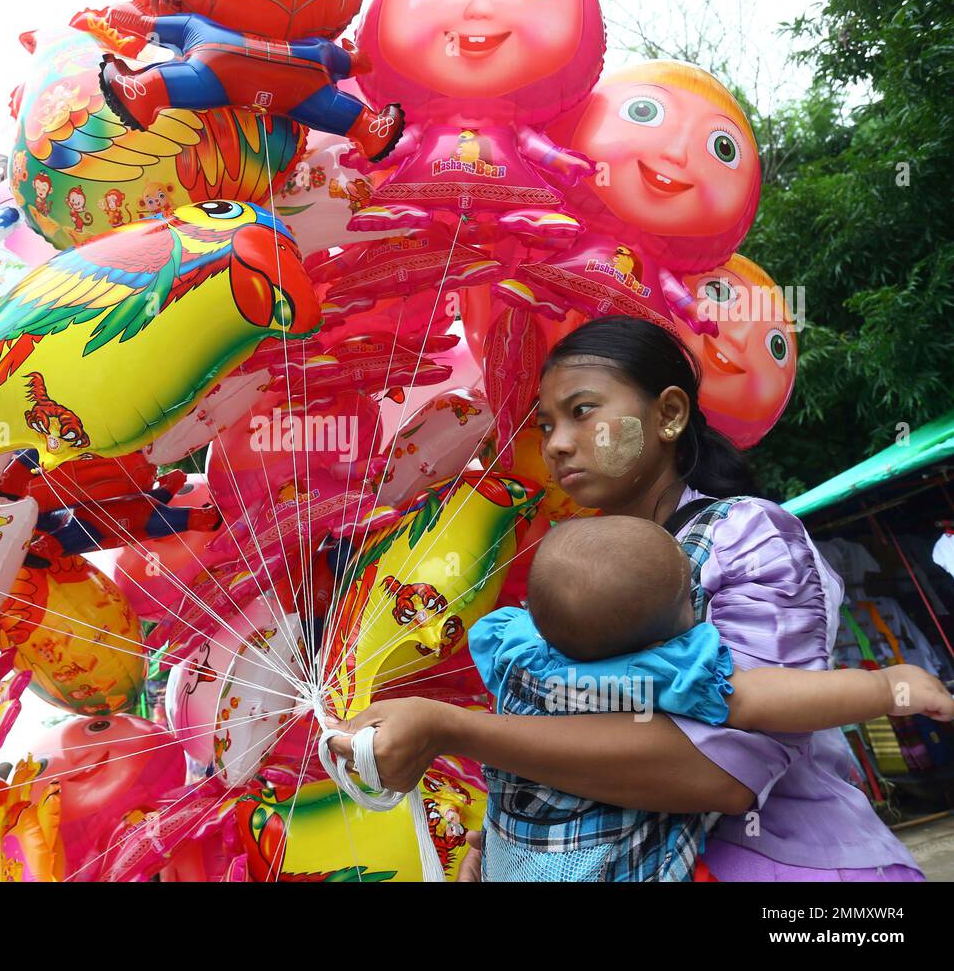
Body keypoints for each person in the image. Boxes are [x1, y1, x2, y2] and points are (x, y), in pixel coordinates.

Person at [326, 316, 935, 881]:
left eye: (582, 412)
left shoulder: (745, 535)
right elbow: (558, 719)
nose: (558, 444)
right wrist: (499, 839)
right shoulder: (574, 567)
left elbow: (721, 772)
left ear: (669, 414)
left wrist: (453, 730)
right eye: (545, 426)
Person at [473, 514, 952, 880]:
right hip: (595, 860)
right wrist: (886, 687)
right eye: (688, 600)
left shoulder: (510, 643)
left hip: (513, 851)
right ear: (659, 642)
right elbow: (757, 697)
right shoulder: (662, 670)